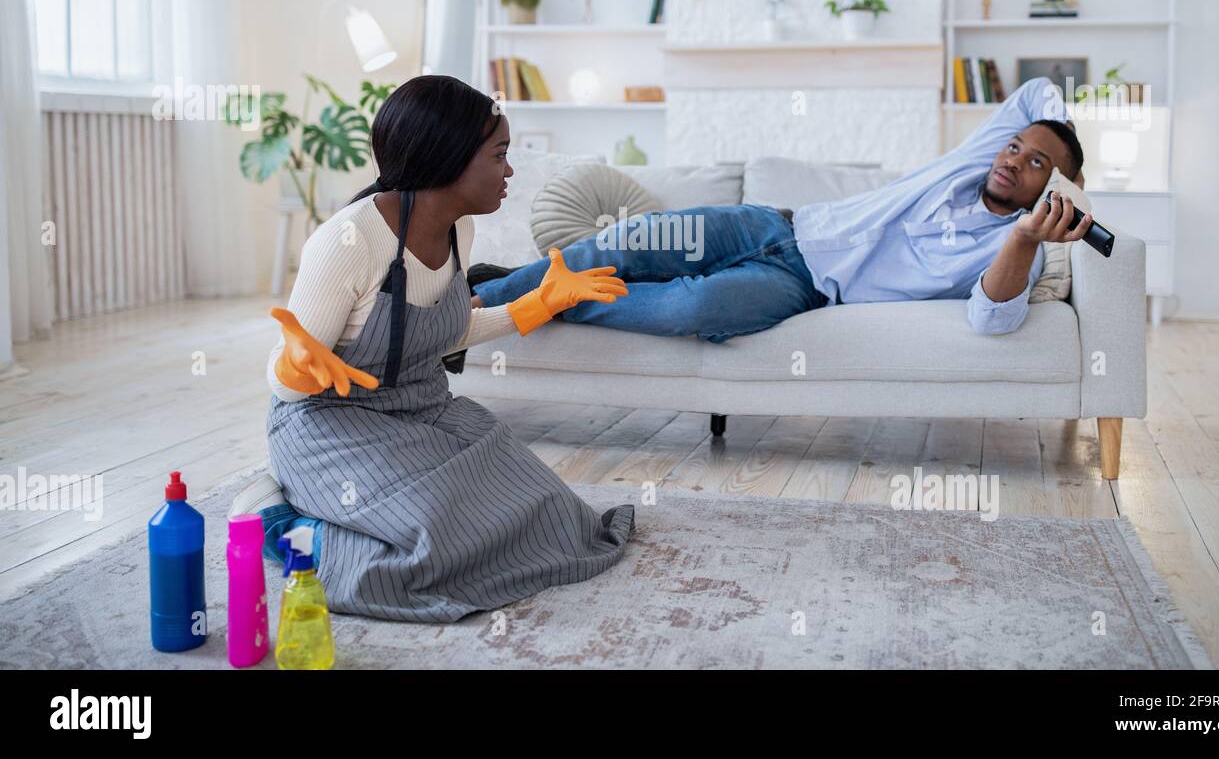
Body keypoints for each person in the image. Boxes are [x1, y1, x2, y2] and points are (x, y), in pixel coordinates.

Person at [229, 75, 634, 623]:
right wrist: (296, 365)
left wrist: (540, 303)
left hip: (422, 409)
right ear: (449, 158)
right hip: (331, 424)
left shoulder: (457, 230)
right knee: (430, 549)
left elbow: (442, 334)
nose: (510, 170)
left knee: (553, 514)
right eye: (500, 155)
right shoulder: (348, 241)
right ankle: (275, 519)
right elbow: (285, 381)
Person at [472, 76, 1092, 340]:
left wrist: (1032, 232)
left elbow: (993, 320)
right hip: (775, 222)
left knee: (695, 306)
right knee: (637, 241)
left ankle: (537, 298)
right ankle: (476, 309)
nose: (1014, 159)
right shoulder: (969, 163)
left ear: (1049, 189)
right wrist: (1060, 155)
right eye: (1017, 146)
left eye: (1036, 162)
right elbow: (1036, 95)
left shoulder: (1017, 245)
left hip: (802, 285)